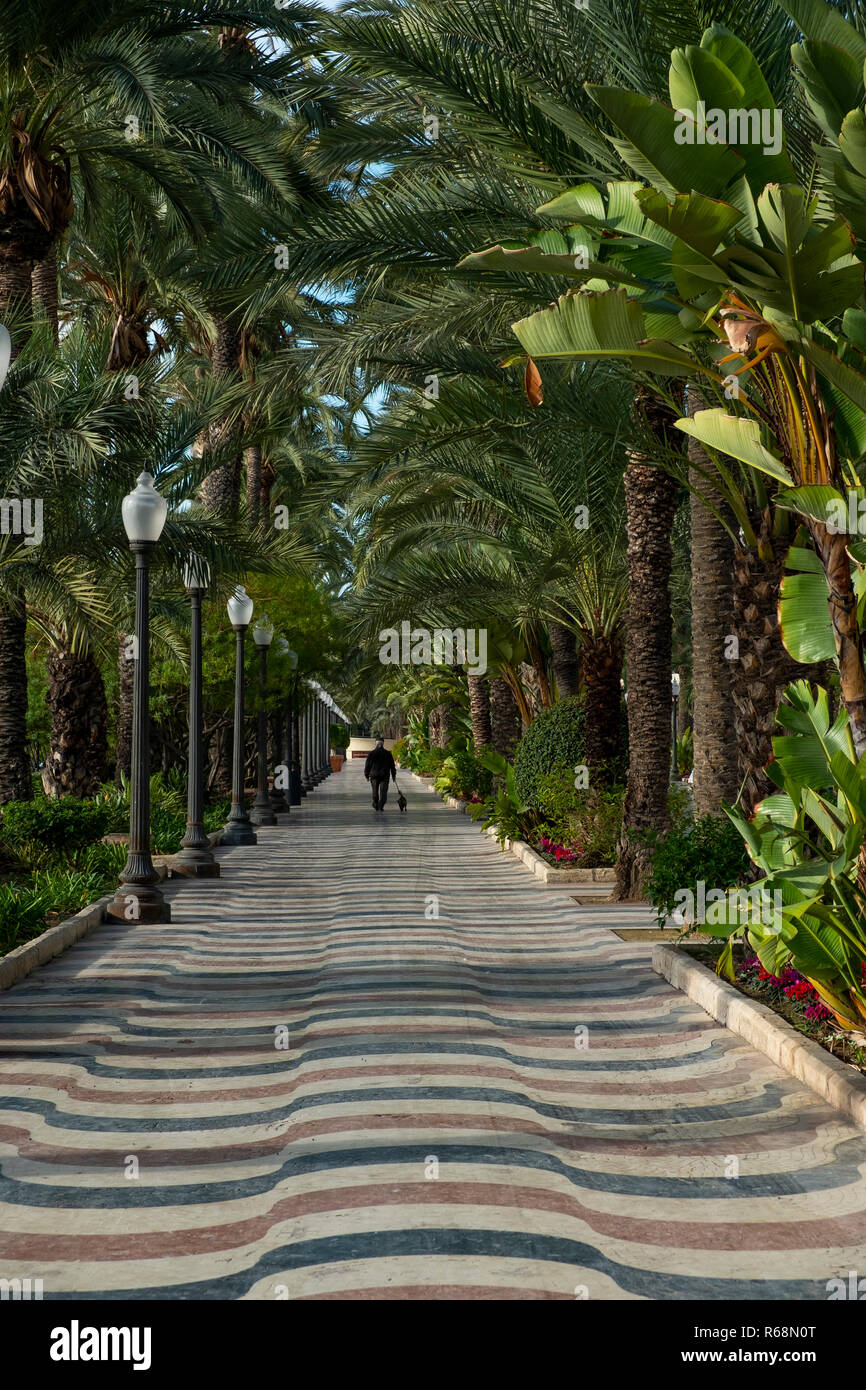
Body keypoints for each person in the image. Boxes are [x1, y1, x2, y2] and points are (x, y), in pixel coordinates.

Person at [364, 736, 397, 811]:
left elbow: (392, 765)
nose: (379, 744)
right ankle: (377, 805)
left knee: (383, 794)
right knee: (376, 794)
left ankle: (379, 806)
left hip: (384, 777)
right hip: (375, 776)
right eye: (379, 743)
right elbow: (368, 765)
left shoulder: (387, 754)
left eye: (380, 743)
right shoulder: (372, 754)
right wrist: (366, 774)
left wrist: (393, 775)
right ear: (376, 744)